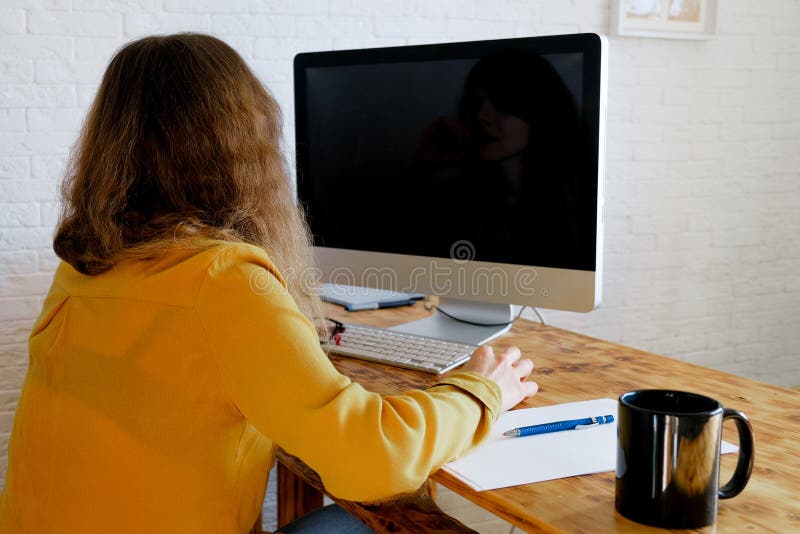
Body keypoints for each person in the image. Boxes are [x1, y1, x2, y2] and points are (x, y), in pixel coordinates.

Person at [0, 34, 538, 533]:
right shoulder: (222, 278)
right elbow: (371, 459)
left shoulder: (85, 264)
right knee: (378, 522)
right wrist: (482, 390)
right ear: (244, 143)